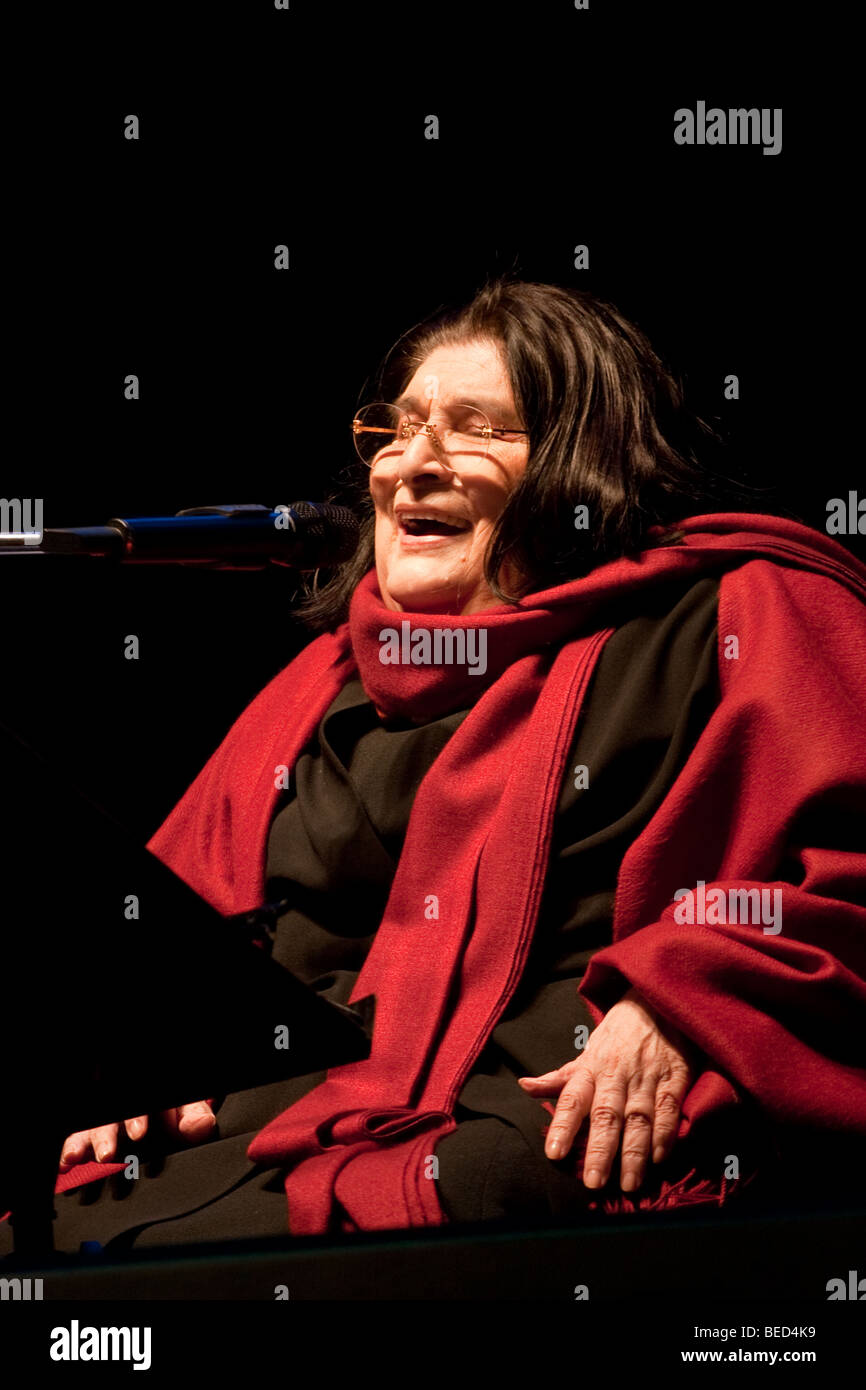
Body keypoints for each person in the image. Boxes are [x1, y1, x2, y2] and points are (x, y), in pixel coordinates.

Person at [4, 279, 865, 1254]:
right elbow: (158, 933)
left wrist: (695, 991)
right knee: (56, 1225)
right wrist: (146, 1053)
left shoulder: (736, 611)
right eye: (396, 430)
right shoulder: (322, 680)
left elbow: (846, 872)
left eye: (473, 429)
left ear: (583, 464)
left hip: (553, 1100)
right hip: (300, 1110)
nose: (410, 466)